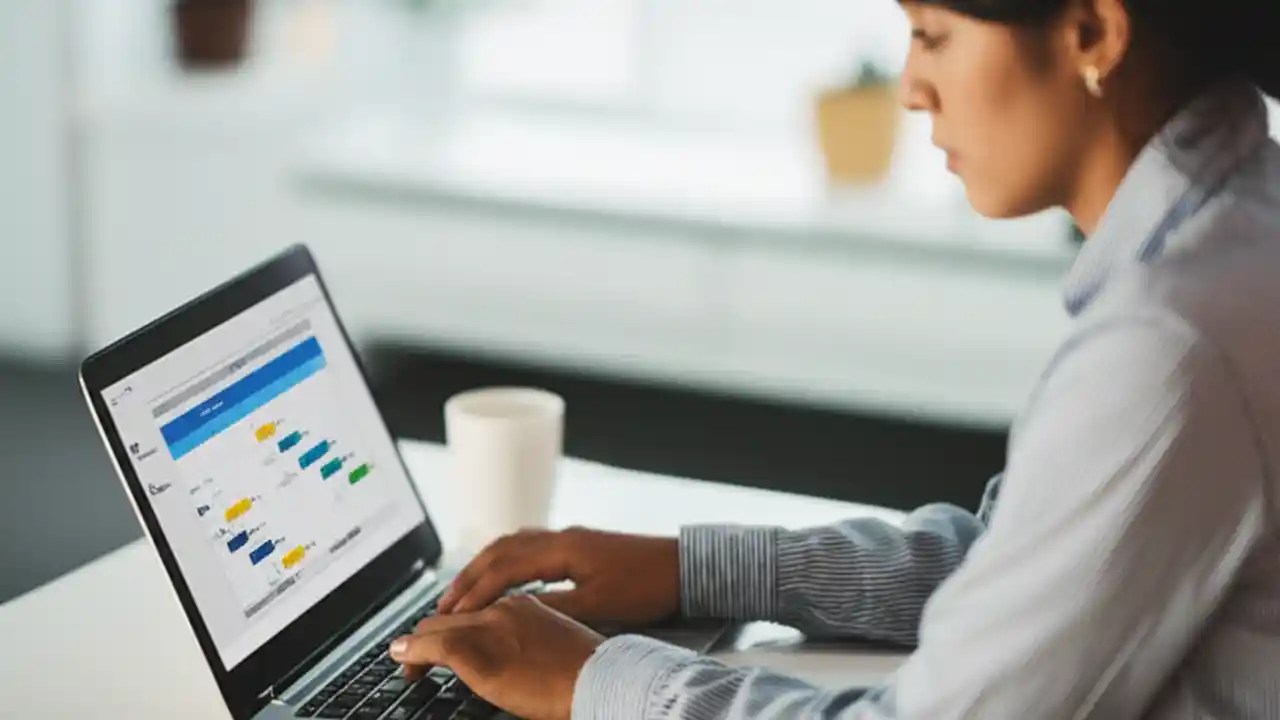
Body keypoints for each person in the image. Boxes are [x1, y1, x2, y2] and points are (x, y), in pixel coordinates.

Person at [387, 0, 1280, 717]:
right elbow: (1015, 561)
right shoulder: (1230, 229)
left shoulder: (1171, 343)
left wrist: (594, 682)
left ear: (1092, 32)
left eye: (932, 34)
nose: (910, 88)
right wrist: (694, 568)